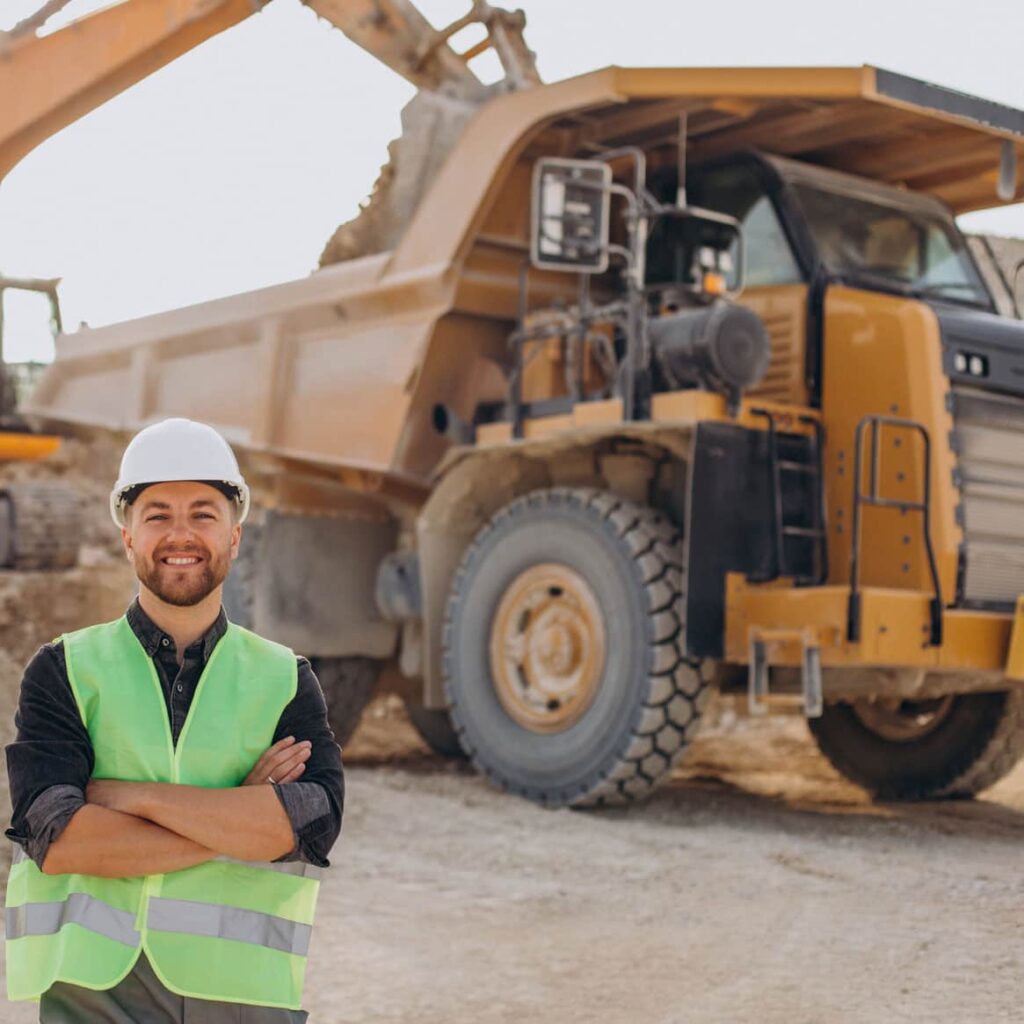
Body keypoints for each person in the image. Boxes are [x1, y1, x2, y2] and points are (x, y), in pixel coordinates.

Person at [5, 417, 343, 1022]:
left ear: (234, 536)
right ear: (128, 536)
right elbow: (57, 838)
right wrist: (235, 815)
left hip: (242, 994)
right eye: (158, 515)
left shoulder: (285, 678)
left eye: (202, 514)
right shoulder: (64, 669)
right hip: (95, 992)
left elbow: (309, 825)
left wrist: (127, 797)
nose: (180, 534)